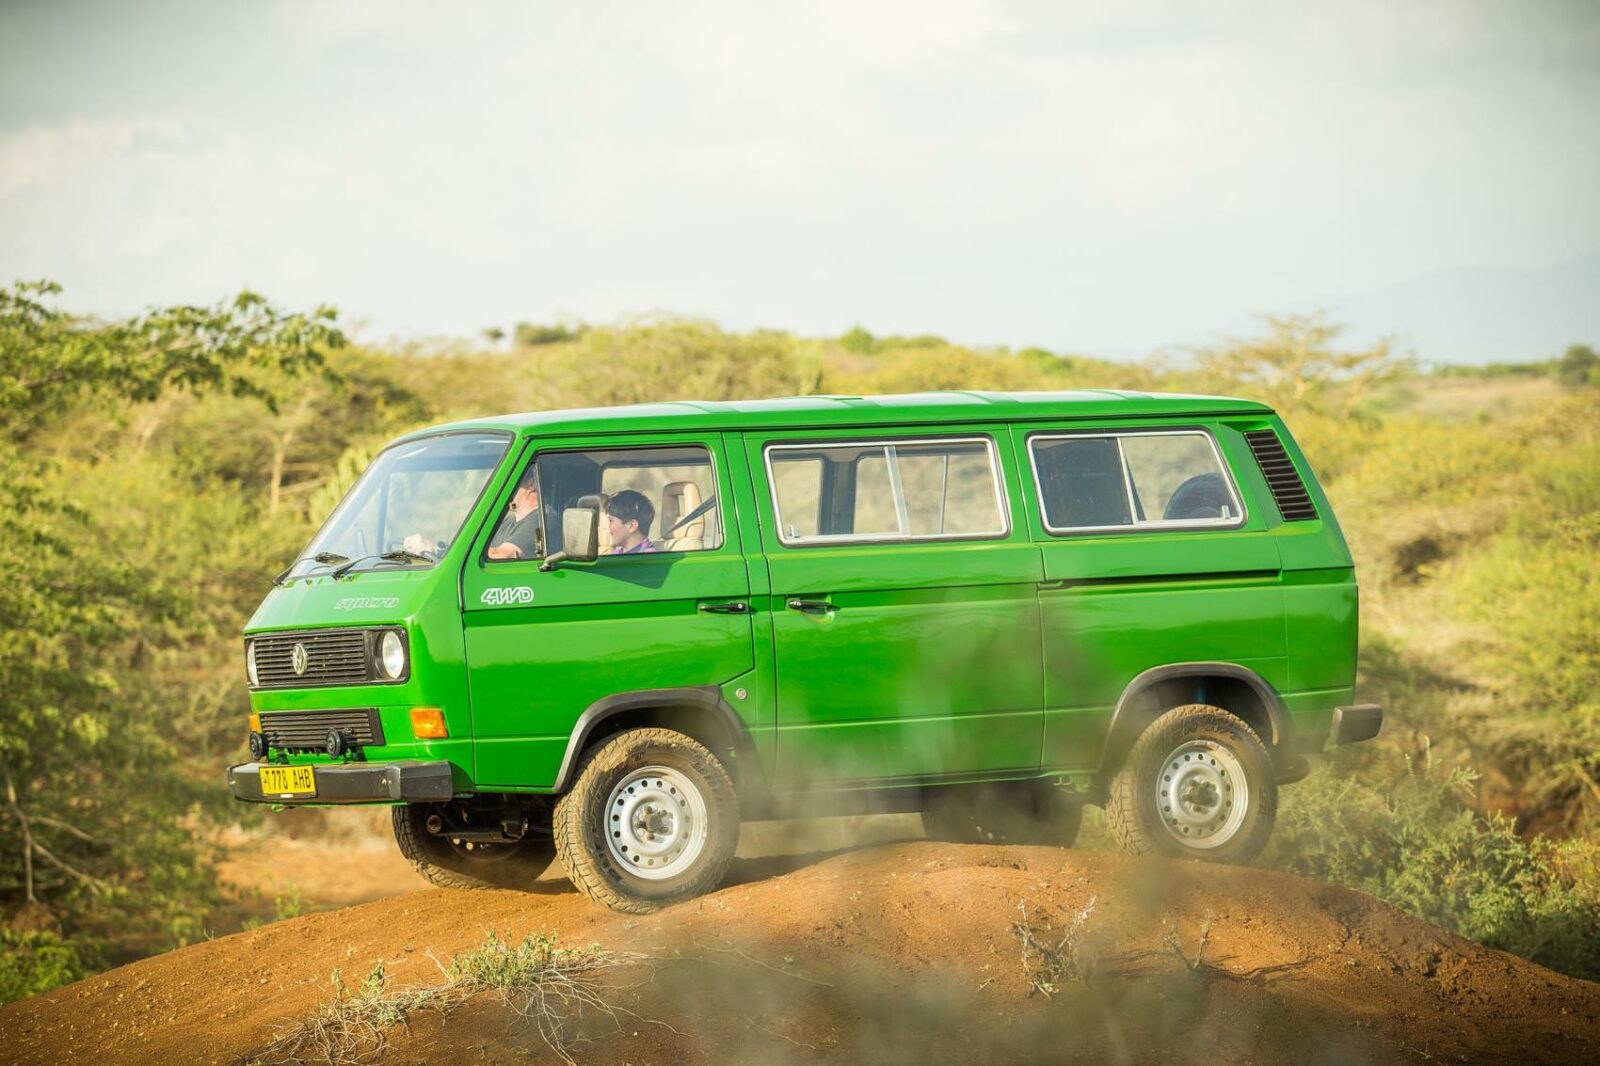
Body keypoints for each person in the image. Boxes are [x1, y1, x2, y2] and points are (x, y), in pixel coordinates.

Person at [484, 468, 543, 560]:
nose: (504, 493)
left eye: (510, 486)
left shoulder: (540, 522)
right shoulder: (506, 522)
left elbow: (502, 556)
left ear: (531, 484)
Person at [604, 489, 659, 555]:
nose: (606, 528)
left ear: (632, 526)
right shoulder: (614, 555)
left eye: (611, 521)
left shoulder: (649, 559)